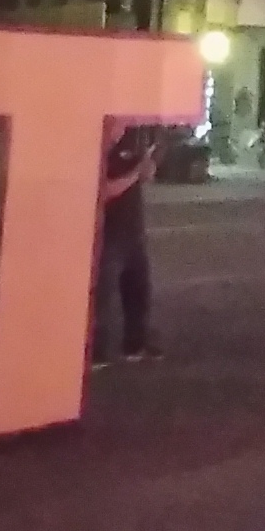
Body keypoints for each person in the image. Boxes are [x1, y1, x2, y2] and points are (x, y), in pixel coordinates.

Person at [93, 122, 161, 367]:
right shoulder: (97, 148)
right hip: (108, 231)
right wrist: (135, 175)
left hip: (133, 230)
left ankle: (135, 344)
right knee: (102, 294)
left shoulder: (131, 142)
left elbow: (144, 177)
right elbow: (104, 191)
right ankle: (95, 351)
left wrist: (146, 170)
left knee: (138, 291)